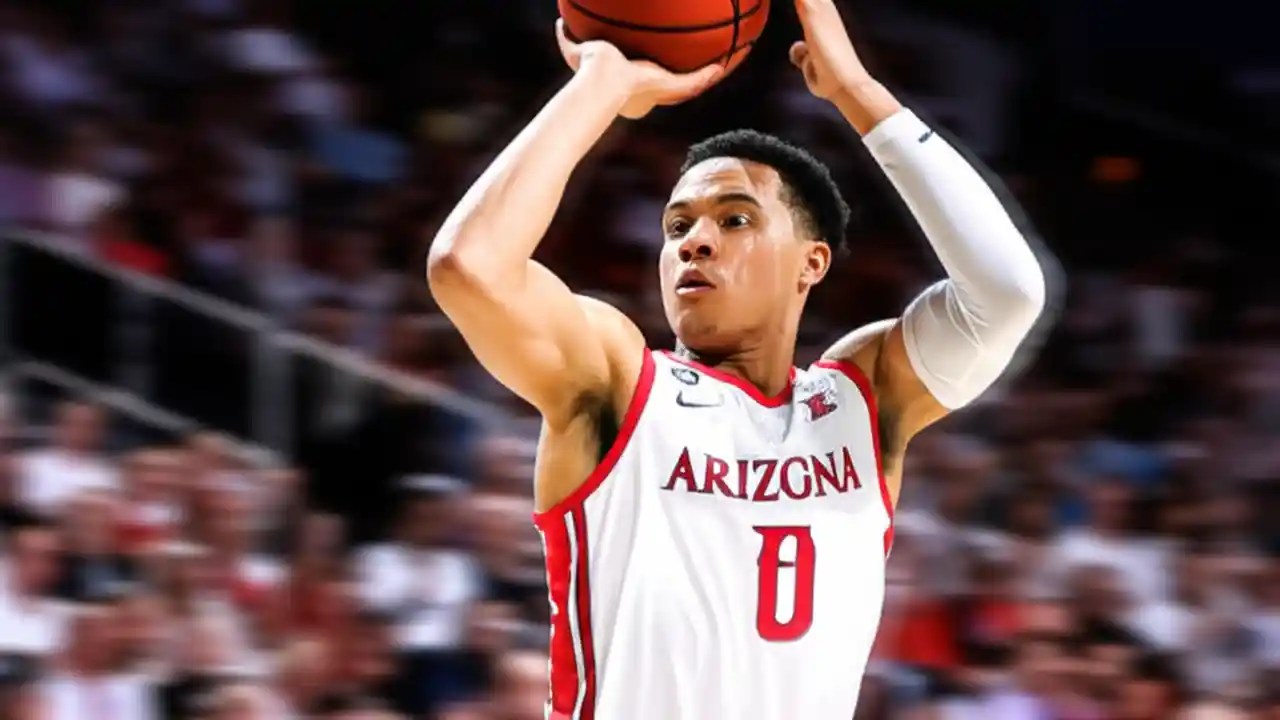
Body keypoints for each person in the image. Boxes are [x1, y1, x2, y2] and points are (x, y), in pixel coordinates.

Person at [427, 0, 1050, 717]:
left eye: (735, 218)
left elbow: (1008, 293)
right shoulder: (622, 384)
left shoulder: (860, 403)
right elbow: (469, 266)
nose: (693, 241)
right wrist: (603, 80)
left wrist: (857, 91)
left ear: (811, 263)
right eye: (677, 225)